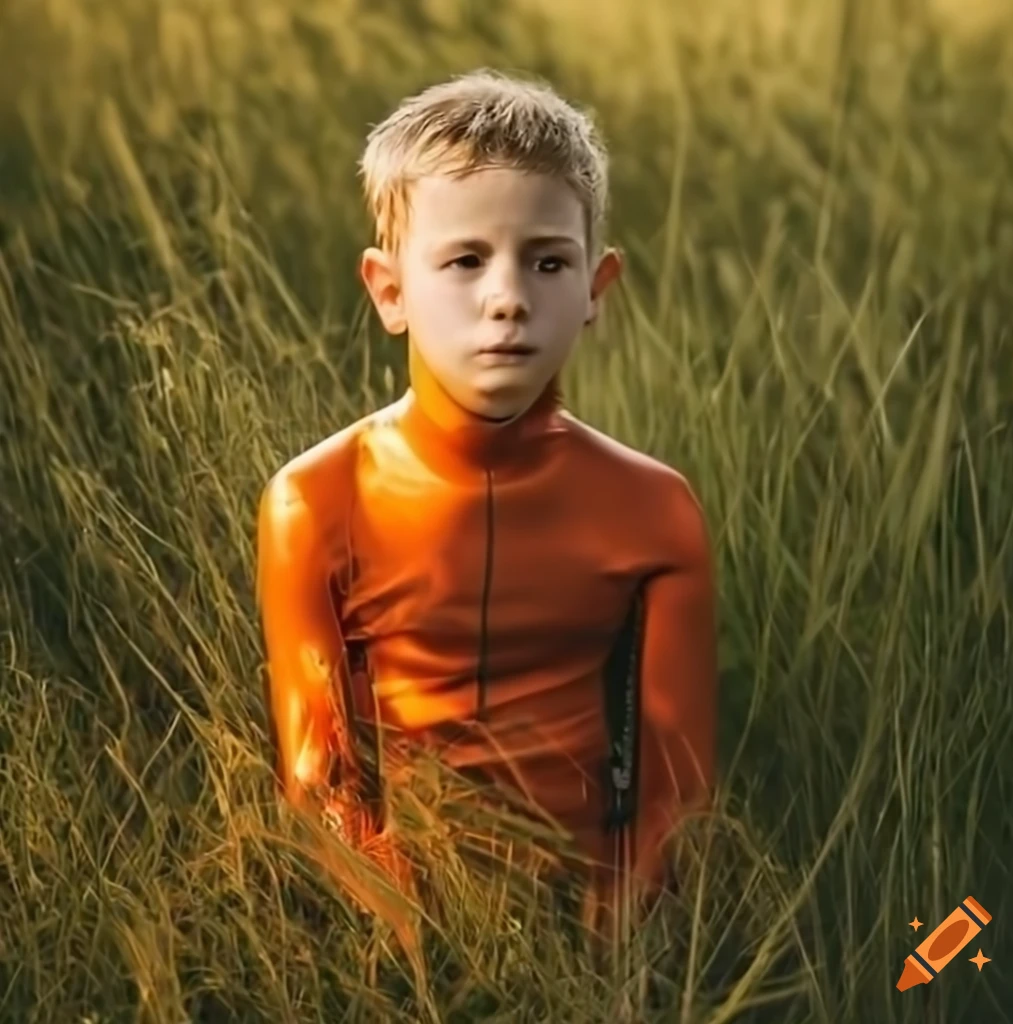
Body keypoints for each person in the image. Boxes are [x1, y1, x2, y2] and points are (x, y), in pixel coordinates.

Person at [255, 67, 717, 937]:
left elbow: (677, 789)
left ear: (594, 290)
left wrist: (612, 928)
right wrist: (405, 925)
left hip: (587, 920)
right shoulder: (315, 502)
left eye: (547, 262)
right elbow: (317, 781)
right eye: (465, 260)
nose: (507, 298)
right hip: (392, 925)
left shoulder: (654, 512)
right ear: (389, 290)